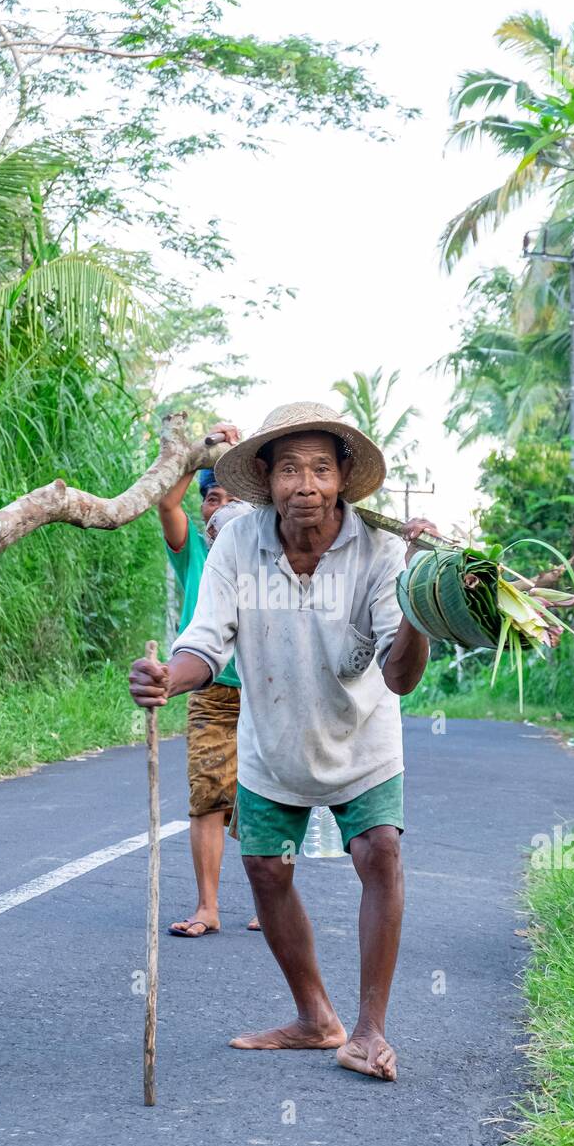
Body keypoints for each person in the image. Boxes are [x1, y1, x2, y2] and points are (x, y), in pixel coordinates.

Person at [129, 401, 439, 1080]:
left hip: (362, 739)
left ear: (344, 477)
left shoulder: (383, 552)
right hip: (272, 739)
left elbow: (401, 675)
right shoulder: (238, 544)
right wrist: (166, 678)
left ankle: (367, 1032)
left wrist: (417, 599)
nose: (307, 486)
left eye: (322, 470)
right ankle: (314, 1018)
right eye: (291, 469)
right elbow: (206, 641)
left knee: (379, 852)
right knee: (267, 870)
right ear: (264, 478)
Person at [156, 426, 259, 937]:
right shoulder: (194, 552)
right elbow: (166, 502)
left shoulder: (270, 549)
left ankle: (272, 903)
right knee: (208, 795)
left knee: (269, 797)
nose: (221, 507)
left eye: (234, 497)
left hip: (269, 692)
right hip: (211, 694)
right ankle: (208, 907)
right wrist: (199, 450)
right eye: (213, 498)